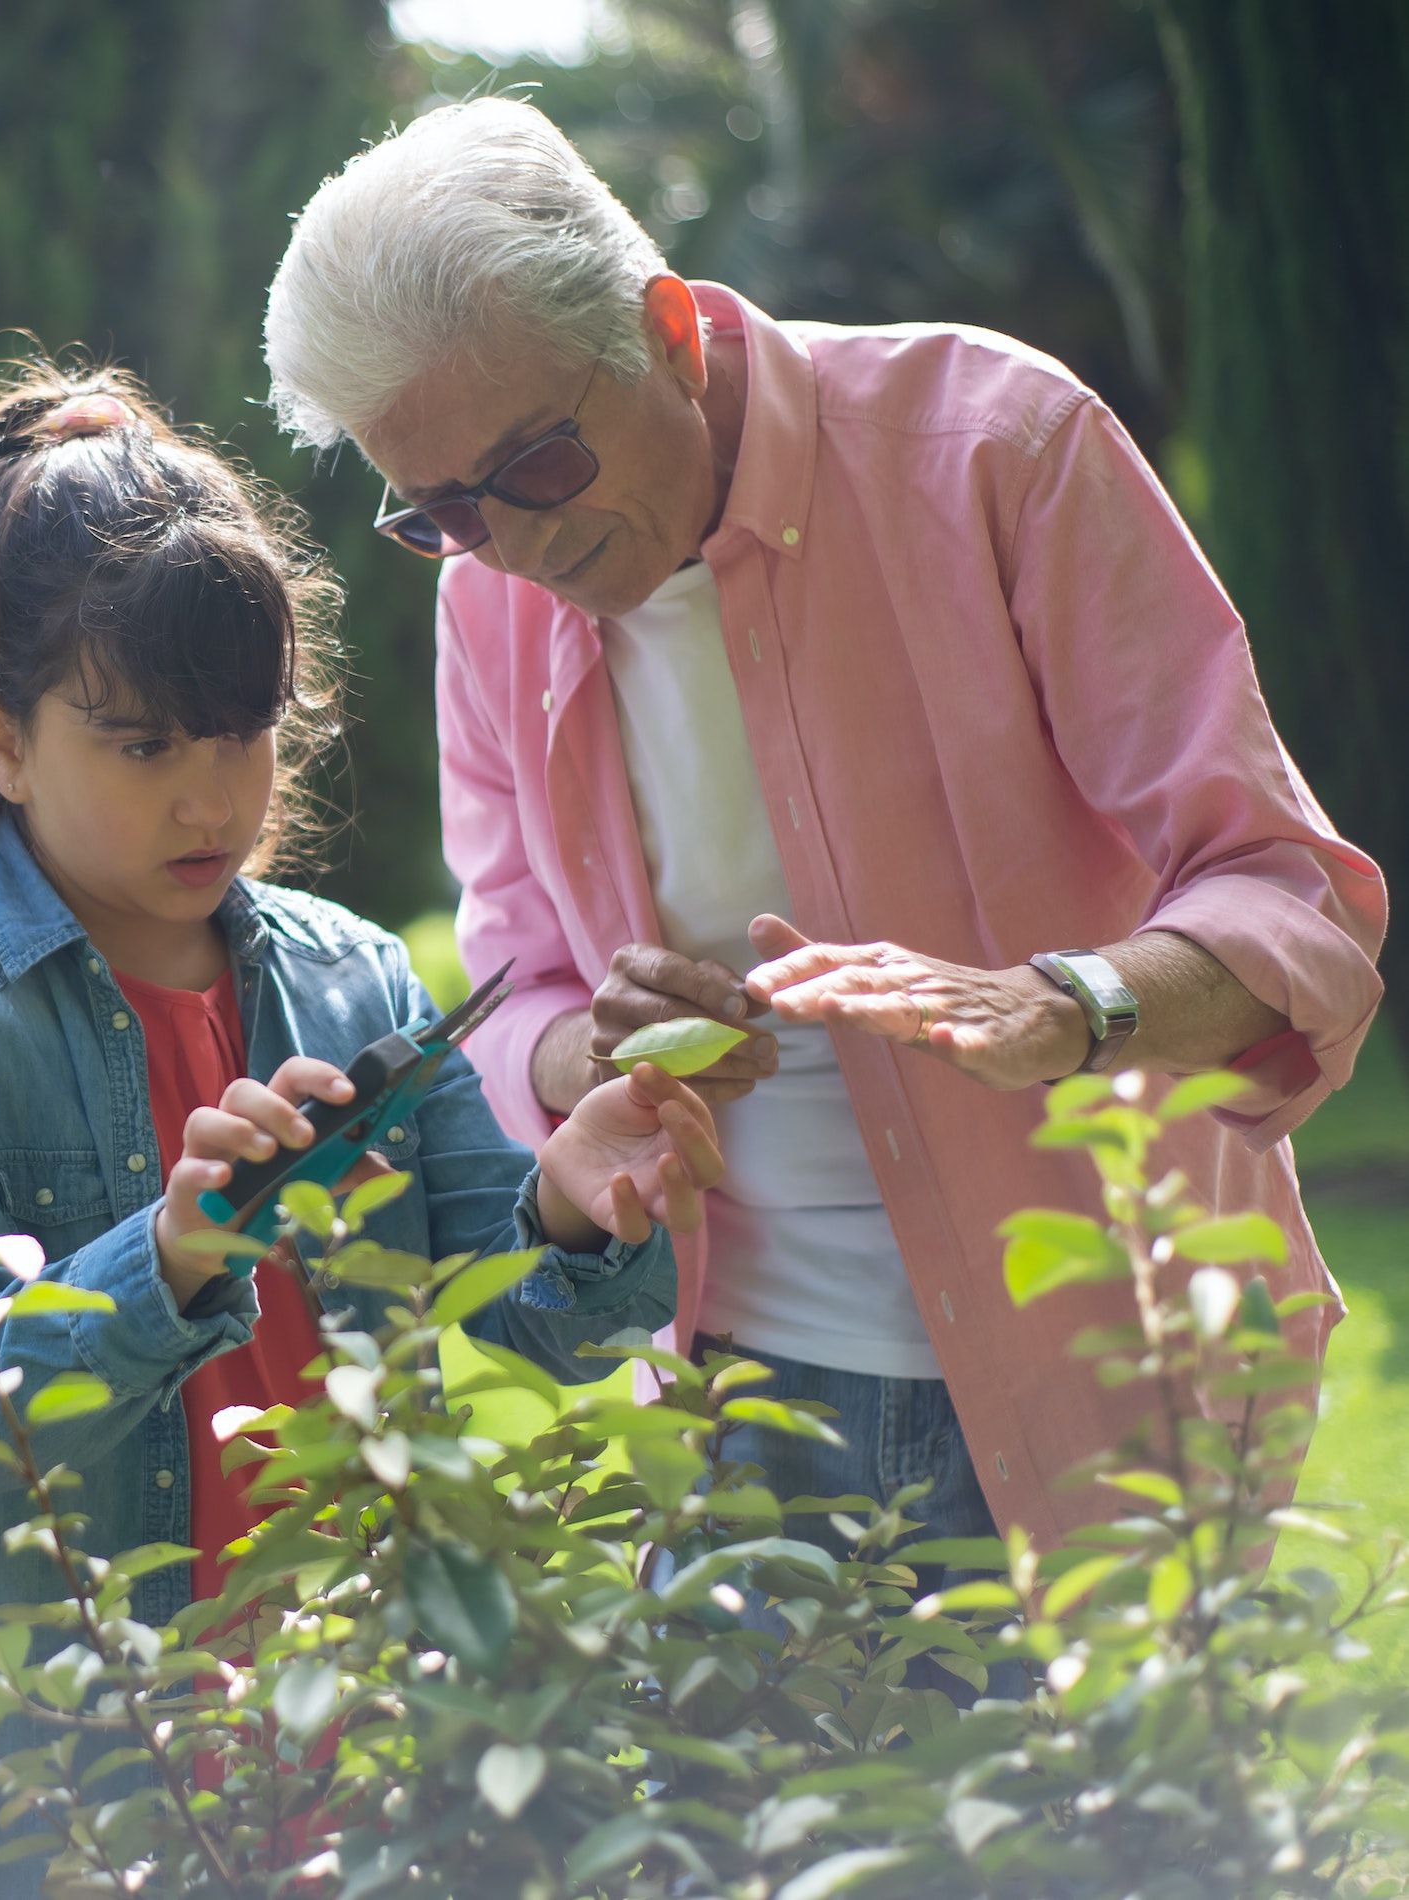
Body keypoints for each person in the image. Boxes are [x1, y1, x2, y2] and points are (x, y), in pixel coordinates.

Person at [262, 97, 1386, 1558]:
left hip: (1120, 1369)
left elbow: (1292, 898)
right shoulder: (483, 601)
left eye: (538, 468)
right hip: (730, 1407)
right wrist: (583, 1046)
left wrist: (1065, 1008)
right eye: (443, 511)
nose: (518, 548)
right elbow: (514, 987)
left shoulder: (998, 447)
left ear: (665, 330)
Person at [0, 364, 723, 1895]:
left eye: (245, 735)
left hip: (357, 1775)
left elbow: (494, 1352)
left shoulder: (354, 974)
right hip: (68, 1800)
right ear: (1, 735)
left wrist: (572, 1212)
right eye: (144, 744)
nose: (212, 797)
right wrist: (163, 1262)